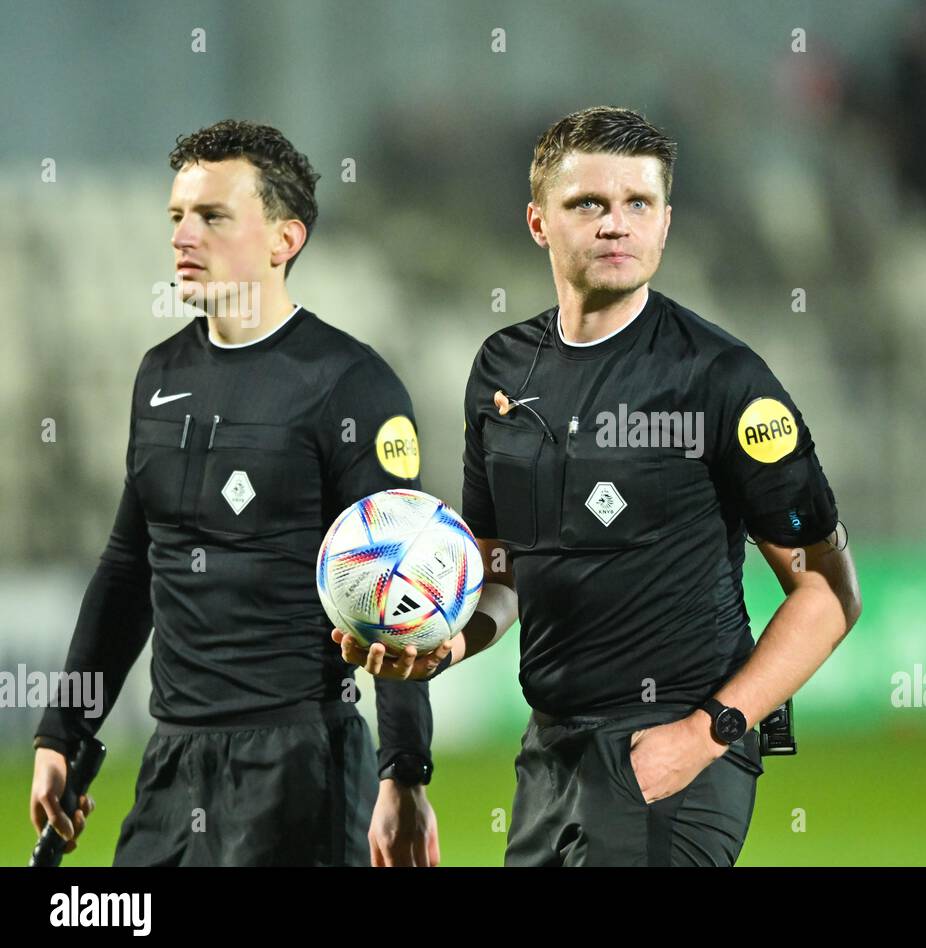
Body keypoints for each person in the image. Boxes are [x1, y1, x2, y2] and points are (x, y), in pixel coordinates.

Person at [336, 105, 861, 866]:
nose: (616, 224)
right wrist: (443, 645)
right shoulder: (500, 374)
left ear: (666, 221)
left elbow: (828, 594)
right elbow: (502, 575)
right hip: (550, 751)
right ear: (539, 222)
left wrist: (707, 732)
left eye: (637, 204)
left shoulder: (721, 379)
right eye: (589, 204)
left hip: (672, 745)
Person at [31, 119, 438, 866]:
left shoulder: (351, 385)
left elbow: (393, 596)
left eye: (213, 216)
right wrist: (64, 730)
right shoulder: (158, 376)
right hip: (172, 760)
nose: (185, 236)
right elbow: (128, 568)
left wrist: (403, 774)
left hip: (300, 761)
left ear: (286, 239)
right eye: (177, 216)